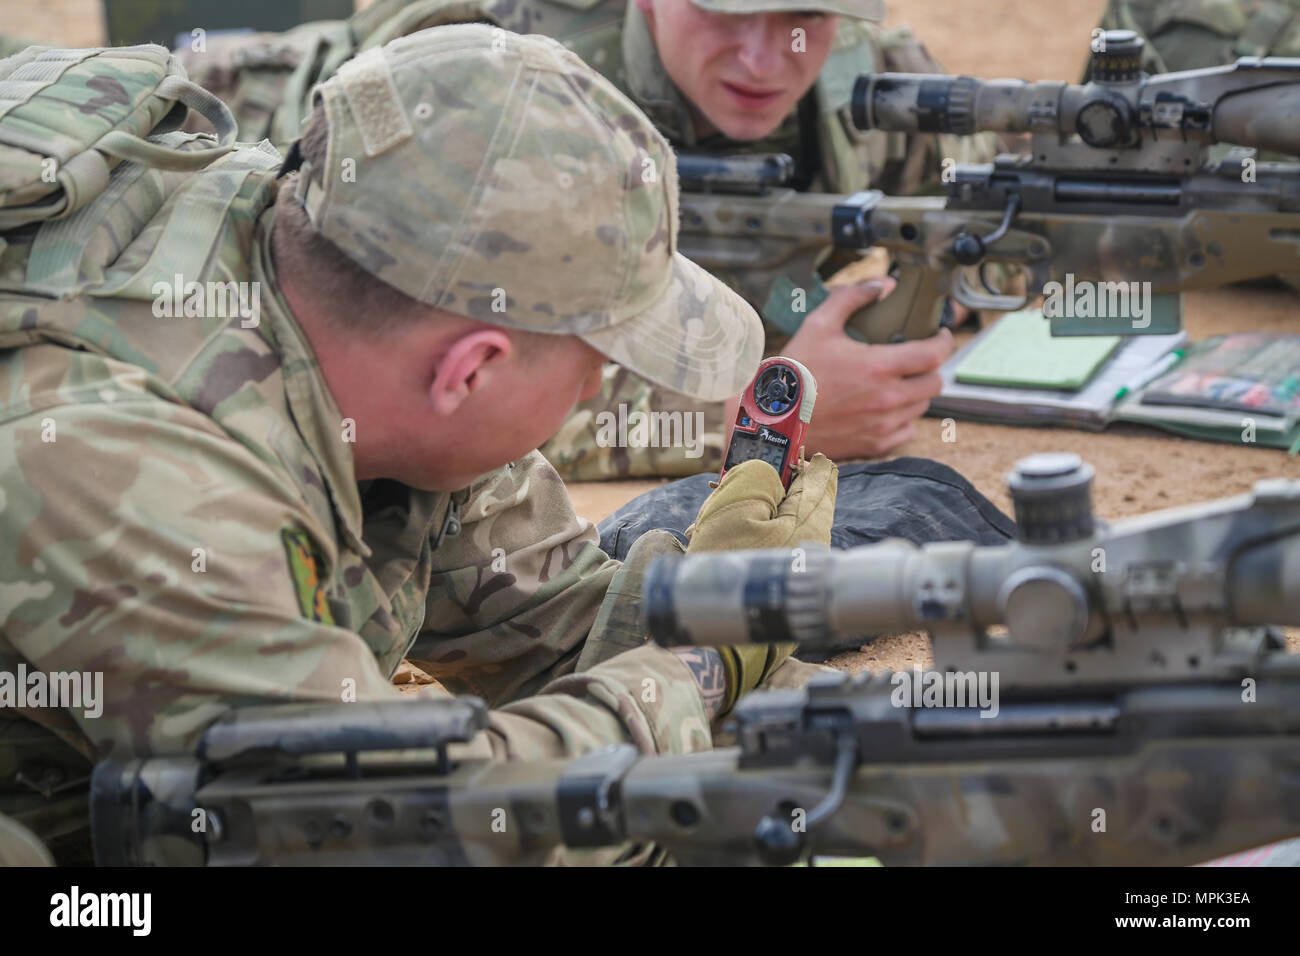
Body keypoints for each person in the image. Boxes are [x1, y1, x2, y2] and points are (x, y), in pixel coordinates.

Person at [0, 25, 836, 865]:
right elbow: (409, 830)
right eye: (600, 365)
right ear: (469, 372)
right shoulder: (138, 478)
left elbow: (553, 631)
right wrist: (704, 666)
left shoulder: (345, 257)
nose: (596, 395)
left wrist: (746, 647)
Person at [174, 0, 1002, 478]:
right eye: (722, 11)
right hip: (231, 108)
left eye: (805, 17)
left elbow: (997, 214)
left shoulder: (869, 84)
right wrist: (750, 417)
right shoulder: (502, 92)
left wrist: (950, 290)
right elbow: (436, 394)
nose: (765, 56)